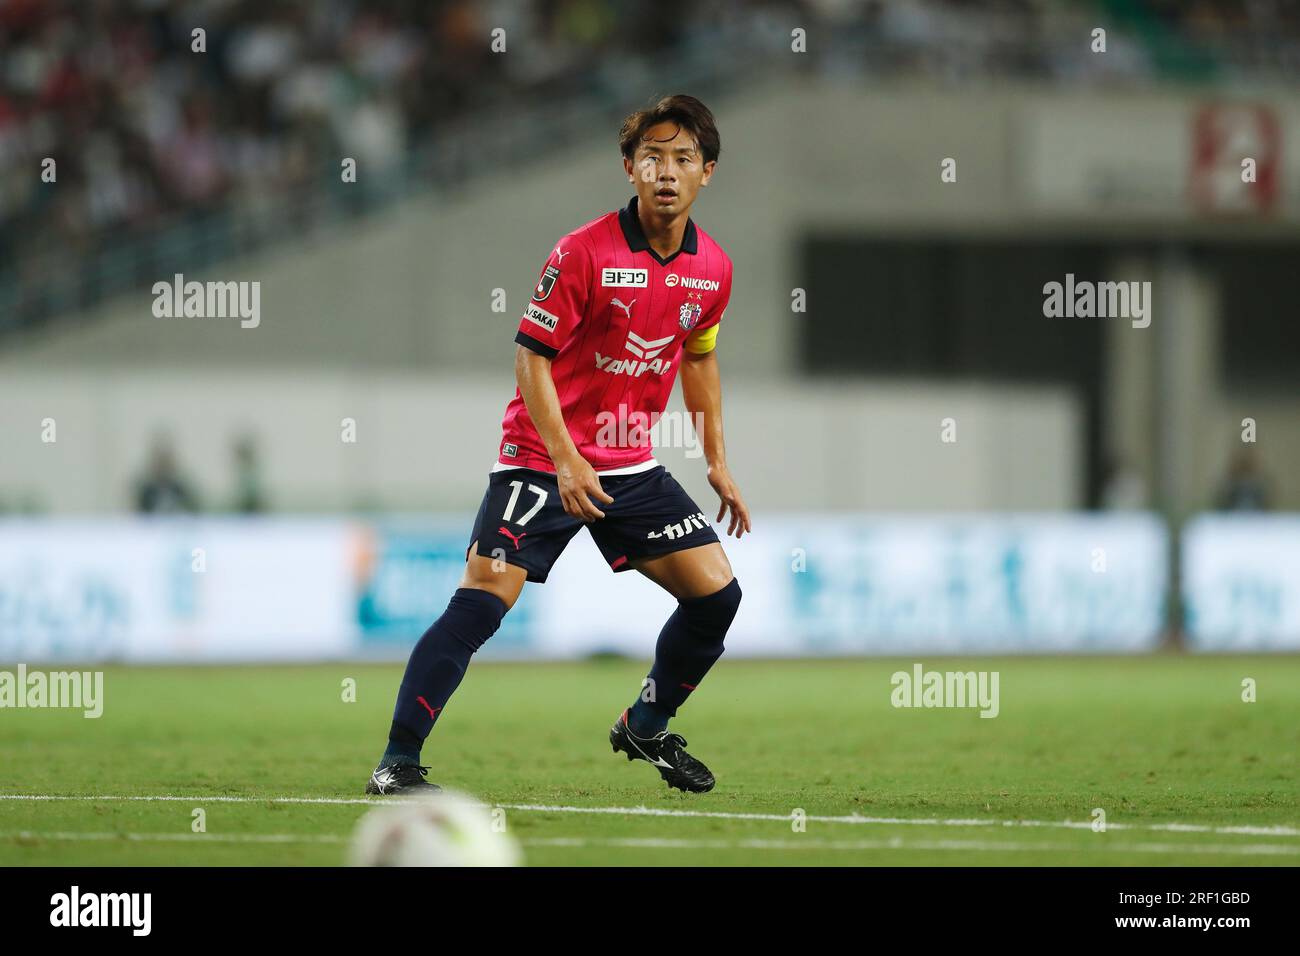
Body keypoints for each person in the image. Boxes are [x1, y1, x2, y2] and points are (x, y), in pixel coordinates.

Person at [367, 95, 750, 796]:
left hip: (630, 461)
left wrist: (717, 461)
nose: (667, 172)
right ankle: (398, 761)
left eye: (684, 159)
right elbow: (530, 357)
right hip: (543, 459)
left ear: (708, 172)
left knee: (717, 596)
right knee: (482, 602)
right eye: (653, 157)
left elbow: (698, 358)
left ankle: (646, 723)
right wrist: (567, 457)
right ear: (629, 168)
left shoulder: (714, 271)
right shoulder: (584, 252)